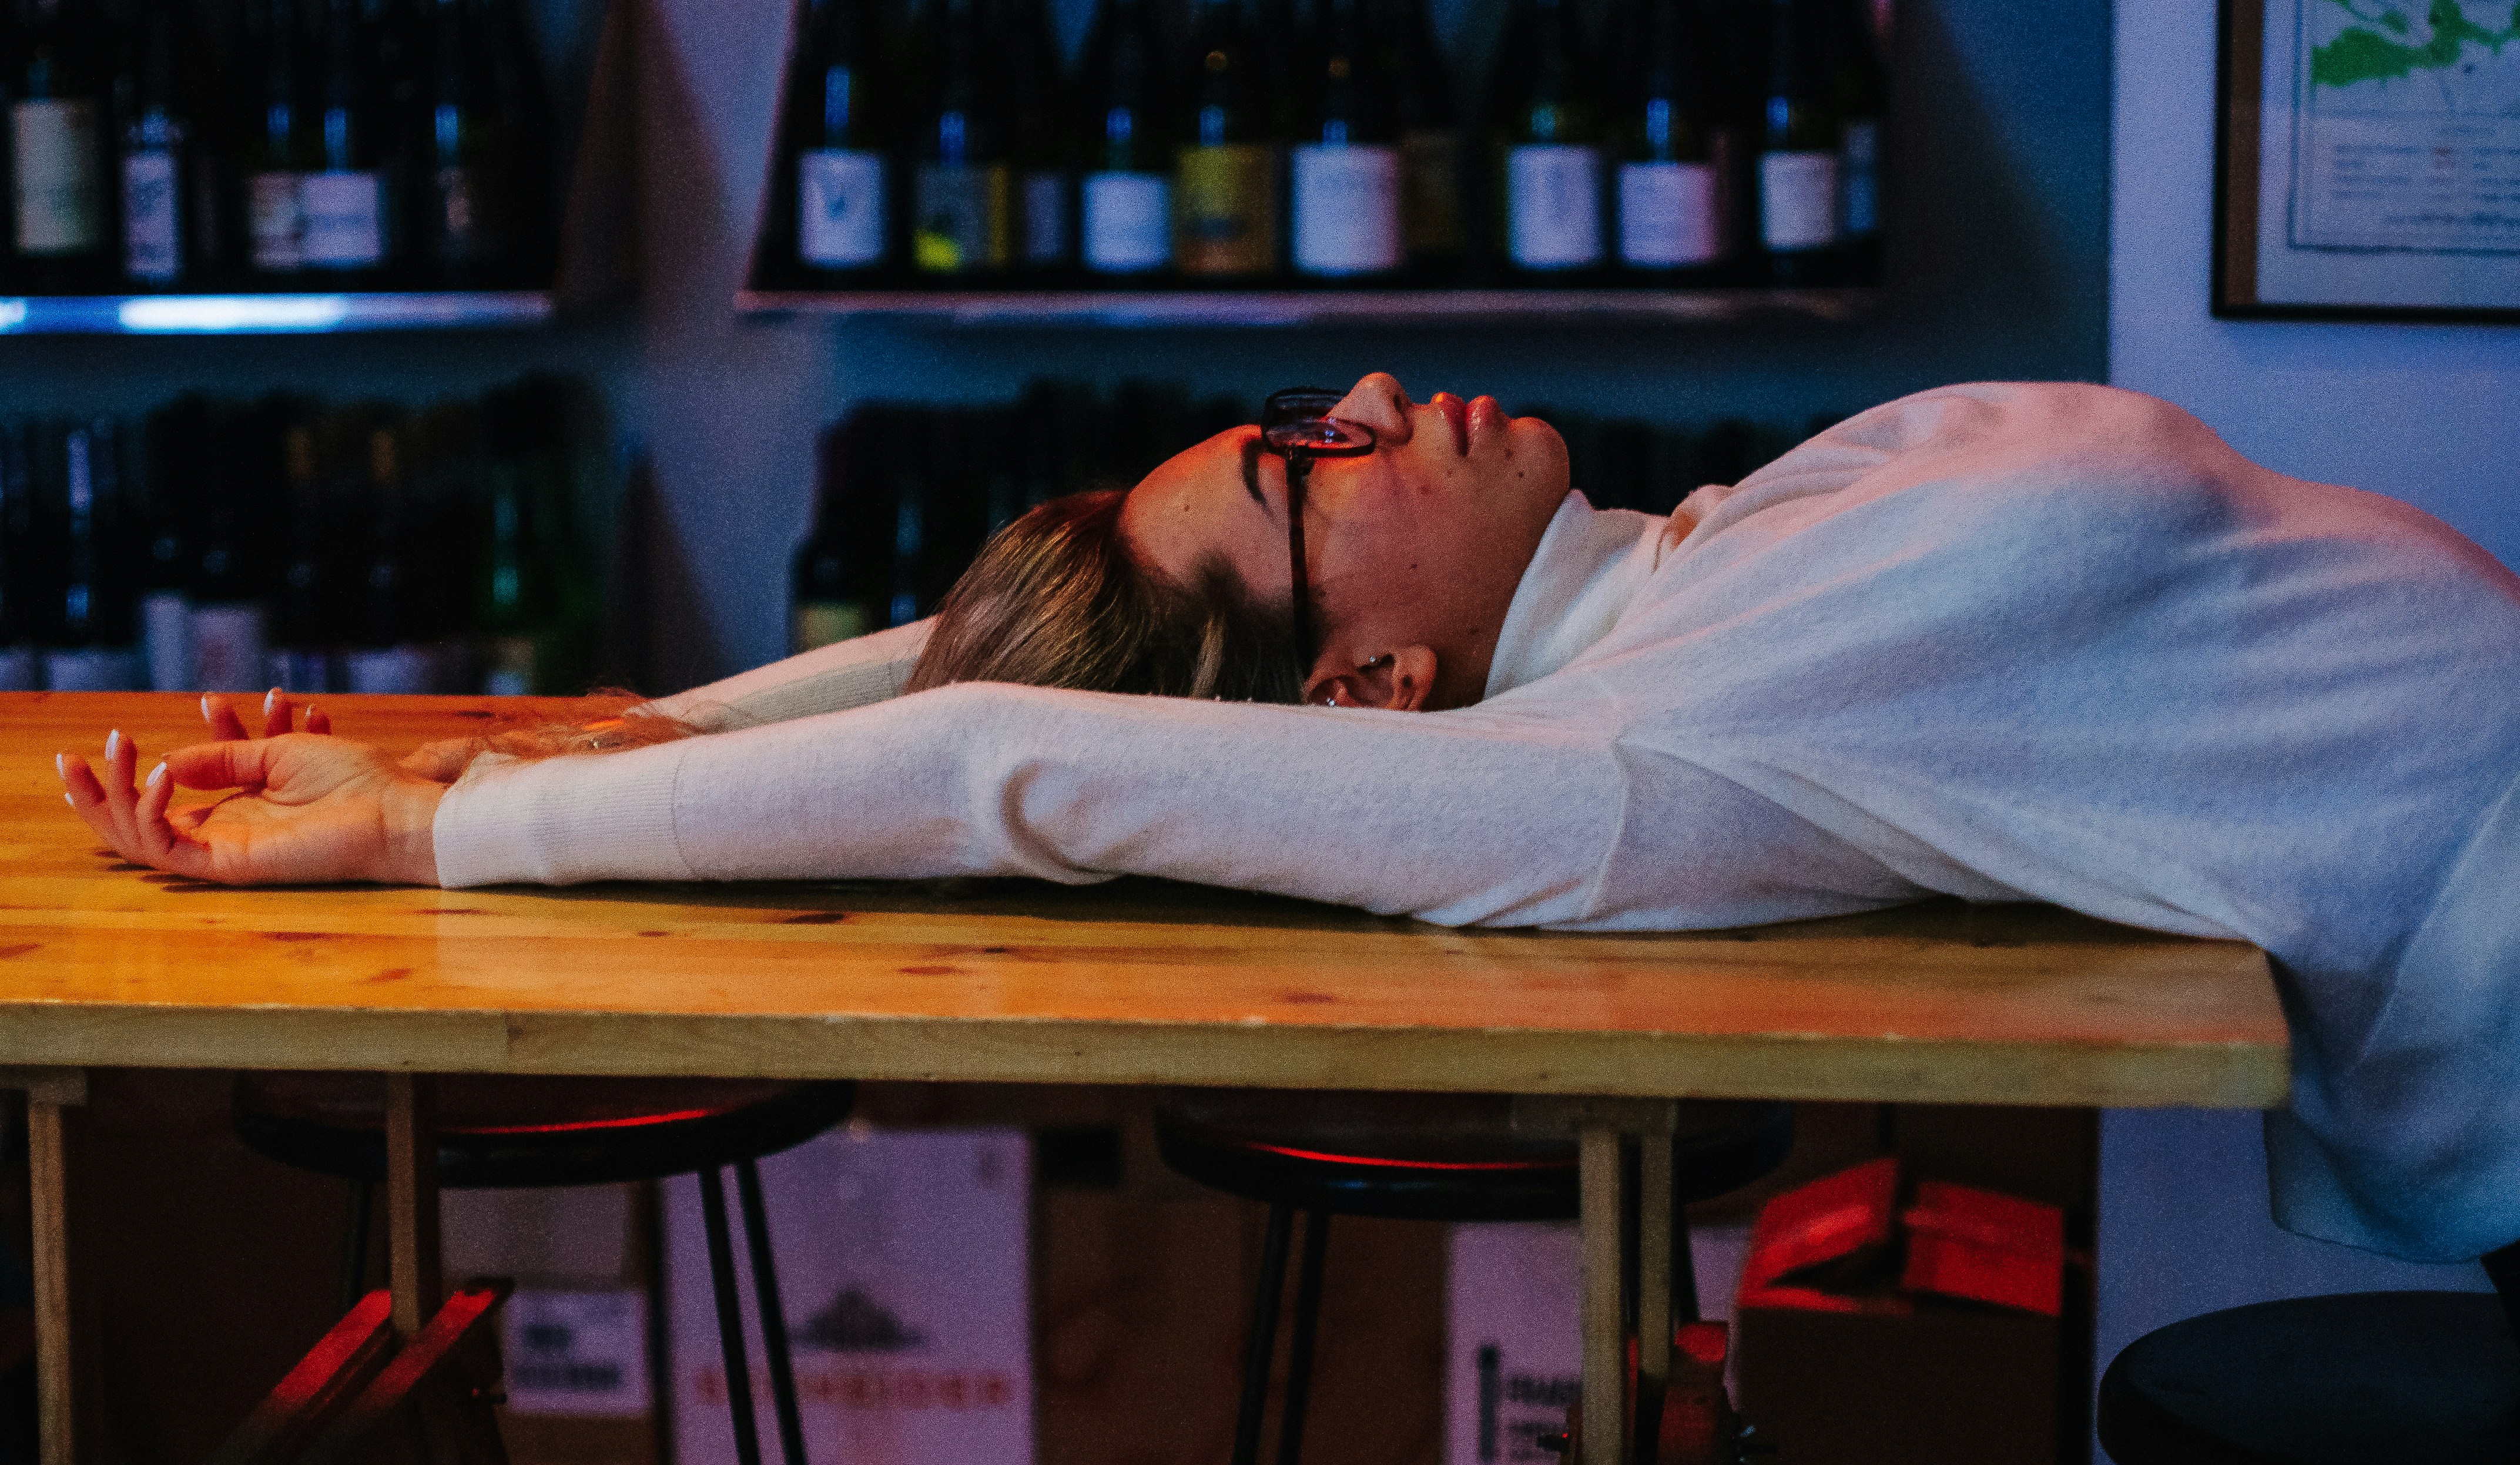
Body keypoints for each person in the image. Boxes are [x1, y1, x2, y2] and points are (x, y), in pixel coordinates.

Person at [55, 376, 2520, 1263]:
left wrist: (544, 749)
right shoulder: (1658, 746)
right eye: (1305, 477)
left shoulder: (1698, 572)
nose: (1363, 396)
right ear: (1361, 687)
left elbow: (933, 692)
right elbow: (979, 759)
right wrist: (421, 853)